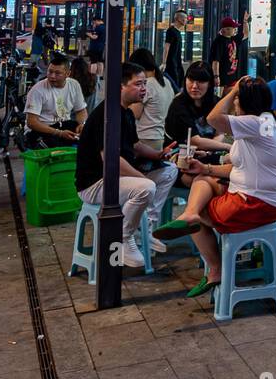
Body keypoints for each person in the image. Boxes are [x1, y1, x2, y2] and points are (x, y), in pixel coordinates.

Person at [153, 75, 276, 299]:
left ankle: (215, 269)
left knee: (200, 211)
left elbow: (213, 118)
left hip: (258, 204)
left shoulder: (257, 123)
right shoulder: (260, 123)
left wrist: (234, 89)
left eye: (236, 100)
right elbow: (239, 168)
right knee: (203, 181)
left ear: (244, 102)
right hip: (252, 195)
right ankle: (190, 215)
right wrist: (205, 168)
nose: (234, 103)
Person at [75, 61, 194, 268]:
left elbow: (136, 145)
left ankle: (145, 228)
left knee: (169, 172)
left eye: (144, 84)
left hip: (116, 179)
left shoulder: (127, 113)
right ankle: (124, 237)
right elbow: (111, 161)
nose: (144, 89)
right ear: (120, 85)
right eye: (138, 84)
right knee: (146, 187)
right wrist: (141, 179)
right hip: (95, 183)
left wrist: (159, 155)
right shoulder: (107, 115)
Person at [24, 52, 88, 149]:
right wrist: (59, 133)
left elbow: (81, 111)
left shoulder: (74, 84)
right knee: (57, 147)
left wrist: (82, 124)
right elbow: (31, 122)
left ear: (67, 74)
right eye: (50, 71)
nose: (52, 76)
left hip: (63, 125)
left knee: (92, 136)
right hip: (42, 129)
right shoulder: (37, 90)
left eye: (57, 73)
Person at [164, 61, 230, 153]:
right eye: (191, 80)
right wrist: (227, 147)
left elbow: (219, 133)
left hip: (207, 158)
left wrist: (208, 152)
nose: (194, 86)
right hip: (179, 158)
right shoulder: (178, 105)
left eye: (201, 81)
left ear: (209, 83)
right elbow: (195, 141)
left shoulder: (217, 103)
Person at [128, 47, 174, 152]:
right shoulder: (166, 82)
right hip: (159, 137)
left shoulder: (147, 84)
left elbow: (135, 113)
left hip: (145, 138)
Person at [208, 15, 245, 93]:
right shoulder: (218, 42)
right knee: (219, 99)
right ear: (226, 29)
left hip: (232, 78)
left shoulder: (232, 39)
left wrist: (245, 21)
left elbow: (246, 34)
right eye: (233, 28)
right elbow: (216, 61)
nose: (235, 30)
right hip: (222, 79)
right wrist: (216, 76)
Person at [162, 10, 187, 89]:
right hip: (171, 63)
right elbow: (167, 47)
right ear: (179, 19)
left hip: (177, 62)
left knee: (179, 82)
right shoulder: (171, 31)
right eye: (185, 18)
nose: (186, 20)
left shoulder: (178, 32)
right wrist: (164, 62)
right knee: (174, 84)